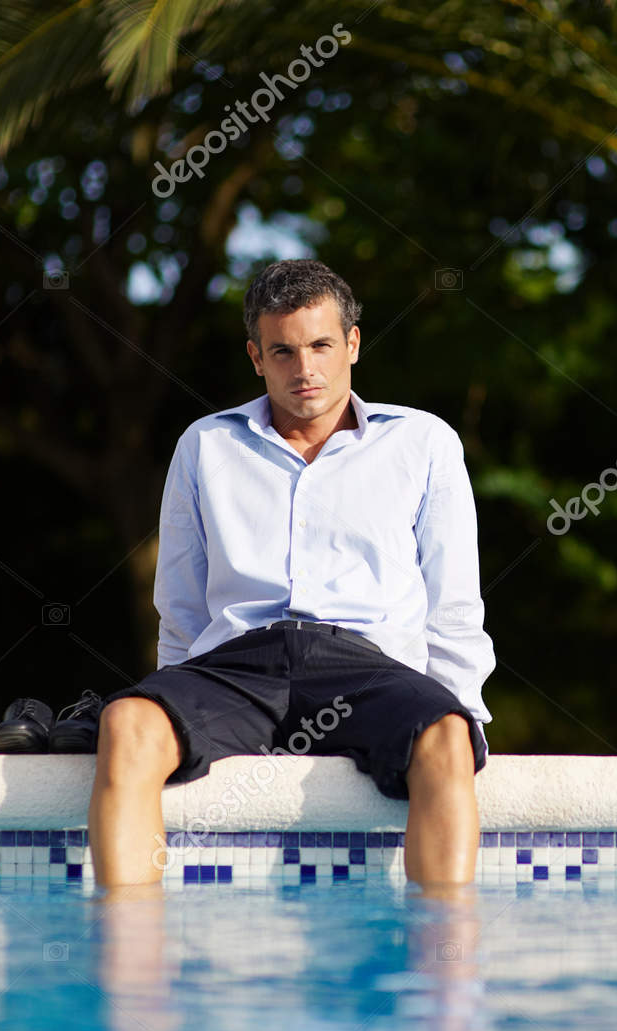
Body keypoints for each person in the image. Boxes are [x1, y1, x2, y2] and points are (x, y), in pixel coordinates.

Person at [87, 259, 494, 888]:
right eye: (283, 351)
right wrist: (174, 698)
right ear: (256, 357)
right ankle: (129, 944)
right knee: (126, 723)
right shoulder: (205, 445)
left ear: (352, 343)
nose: (305, 369)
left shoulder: (423, 443)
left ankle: (444, 949)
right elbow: (181, 603)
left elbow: (453, 603)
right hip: (238, 665)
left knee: (447, 734)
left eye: (321, 346)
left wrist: (459, 715)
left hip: (368, 666)